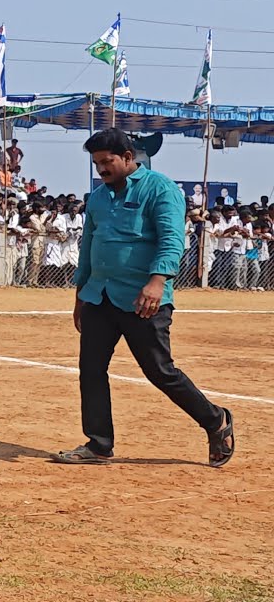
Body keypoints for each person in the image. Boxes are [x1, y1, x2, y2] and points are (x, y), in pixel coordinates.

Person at [53, 129, 235, 467]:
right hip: (99, 296)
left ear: (128, 156)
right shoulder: (98, 197)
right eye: (96, 164)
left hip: (143, 298)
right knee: (90, 369)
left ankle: (216, 421)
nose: (101, 170)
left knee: (160, 372)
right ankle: (98, 444)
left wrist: (156, 282)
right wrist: (80, 296)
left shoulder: (161, 189)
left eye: (107, 162)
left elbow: (171, 240)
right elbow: (88, 248)